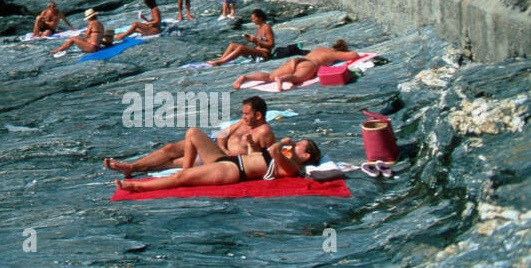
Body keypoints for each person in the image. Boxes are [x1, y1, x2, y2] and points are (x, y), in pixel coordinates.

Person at [104, 96, 275, 177]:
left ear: (258, 115)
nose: (243, 116)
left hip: (223, 160)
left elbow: (266, 160)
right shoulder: (244, 123)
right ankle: (132, 166)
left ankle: (132, 168)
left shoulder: (264, 133)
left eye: (247, 114)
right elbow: (222, 134)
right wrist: (223, 147)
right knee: (170, 148)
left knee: (173, 162)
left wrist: (236, 154)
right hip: (217, 147)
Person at [115, 128, 320, 192]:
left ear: (306, 155)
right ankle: (186, 173)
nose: (296, 144)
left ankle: (137, 186)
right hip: (229, 160)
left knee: (179, 178)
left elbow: (274, 152)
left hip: (232, 172)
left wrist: (285, 142)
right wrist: (251, 145)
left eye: (300, 144)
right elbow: (260, 155)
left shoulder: (292, 168)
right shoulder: (287, 157)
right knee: (193, 132)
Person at [232, 40, 358, 91]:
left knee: (270, 76)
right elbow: (353, 56)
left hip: (297, 60)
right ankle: (282, 80)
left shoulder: (319, 49)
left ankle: (245, 78)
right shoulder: (332, 54)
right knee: (298, 77)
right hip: (309, 65)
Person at [208, 9, 274, 66]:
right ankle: (221, 60)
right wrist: (251, 40)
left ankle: (220, 62)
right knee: (232, 45)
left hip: (264, 54)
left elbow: (271, 44)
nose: (252, 20)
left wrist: (257, 41)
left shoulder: (266, 27)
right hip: (257, 51)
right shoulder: (259, 27)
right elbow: (259, 42)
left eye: (254, 19)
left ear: (260, 18)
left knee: (241, 48)